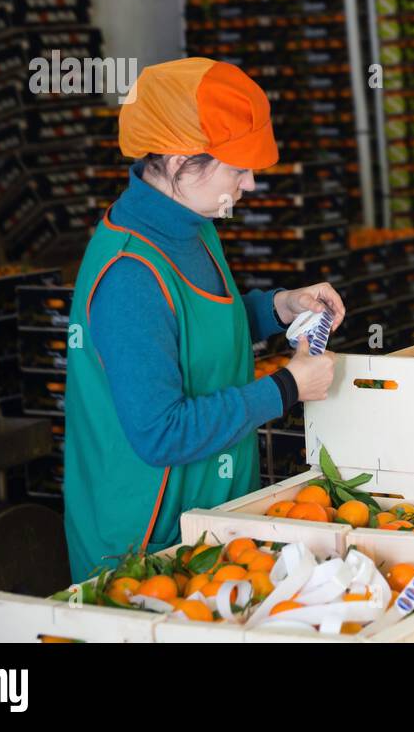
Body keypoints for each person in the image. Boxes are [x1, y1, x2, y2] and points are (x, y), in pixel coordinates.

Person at [64, 58, 340, 582]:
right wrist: (286, 387)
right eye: (238, 168)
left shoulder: (192, 225)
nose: (252, 184)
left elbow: (202, 326)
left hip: (210, 516)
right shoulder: (130, 275)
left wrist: (281, 307)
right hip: (148, 547)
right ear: (178, 160)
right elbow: (161, 433)